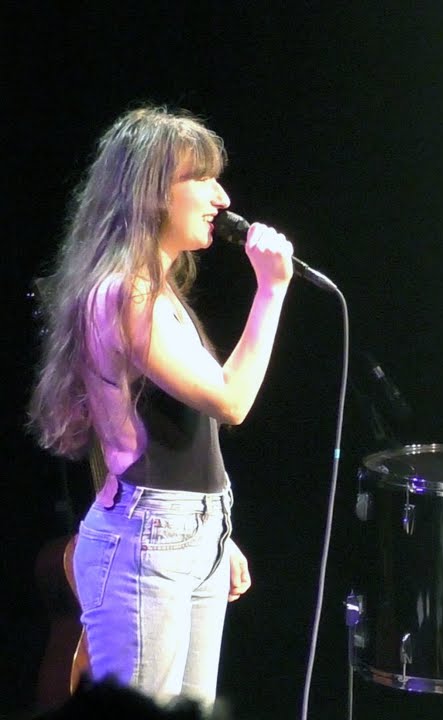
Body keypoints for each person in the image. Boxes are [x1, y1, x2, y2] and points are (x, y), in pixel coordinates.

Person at [27, 106, 294, 710]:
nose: (221, 197)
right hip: (149, 539)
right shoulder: (123, 292)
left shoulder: (160, 290)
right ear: (150, 194)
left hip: (189, 530)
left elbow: (191, 430)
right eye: (200, 179)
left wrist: (214, 534)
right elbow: (230, 401)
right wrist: (271, 290)